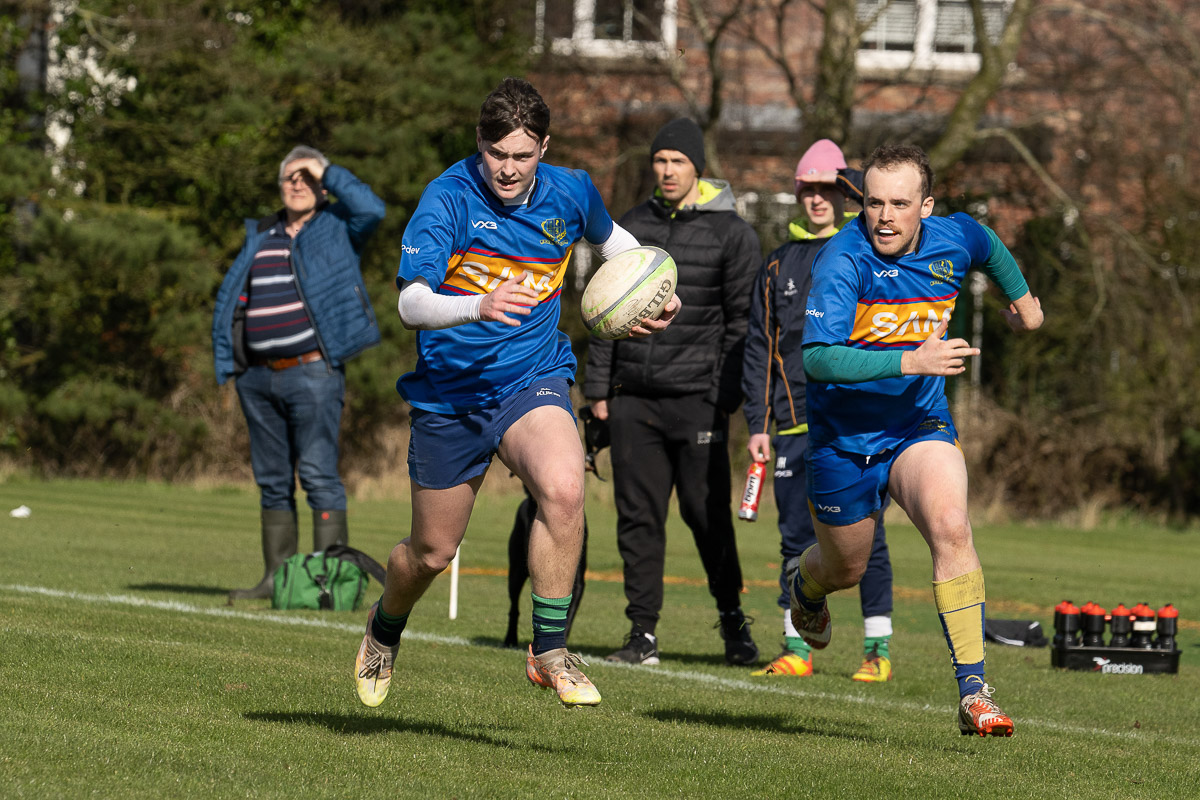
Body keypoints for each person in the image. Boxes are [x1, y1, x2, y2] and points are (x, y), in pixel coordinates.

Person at [353, 77, 680, 709]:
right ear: (479, 143)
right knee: (430, 554)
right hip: (452, 395)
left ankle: (551, 651)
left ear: (543, 148)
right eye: (496, 154)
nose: (507, 169)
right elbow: (410, 303)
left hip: (532, 377)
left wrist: (653, 290)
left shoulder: (572, 190)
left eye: (522, 156)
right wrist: (479, 304)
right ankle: (383, 627)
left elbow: (621, 248)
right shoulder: (447, 198)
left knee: (563, 488)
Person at [793, 144, 1043, 736]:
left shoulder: (953, 238)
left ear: (925, 207)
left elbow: (987, 244)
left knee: (952, 526)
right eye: (874, 202)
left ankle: (974, 692)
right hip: (843, 440)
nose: (884, 216)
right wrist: (910, 360)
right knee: (845, 569)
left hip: (916, 427)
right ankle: (806, 587)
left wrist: (1026, 304)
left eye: (899, 204)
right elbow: (818, 359)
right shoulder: (841, 260)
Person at [584, 117, 761, 667]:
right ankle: (643, 636)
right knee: (637, 518)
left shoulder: (733, 233)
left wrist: (721, 396)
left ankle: (734, 626)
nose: (666, 170)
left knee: (706, 516)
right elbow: (603, 311)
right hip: (633, 398)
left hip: (698, 401)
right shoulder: (629, 227)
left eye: (677, 162)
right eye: (660, 161)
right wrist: (598, 389)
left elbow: (742, 326)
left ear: (698, 169)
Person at [742, 140, 896, 682]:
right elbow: (760, 348)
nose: (816, 199)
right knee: (793, 537)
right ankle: (796, 647)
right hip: (793, 423)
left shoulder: (868, 251)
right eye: (806, 189)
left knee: (866, 537)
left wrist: (847, 176)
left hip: (857, 419)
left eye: (828, 189)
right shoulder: (777, 263)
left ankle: (878, 651)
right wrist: (758, 425)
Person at [213, 146, 385, 602]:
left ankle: (326, 586)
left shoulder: (337, 228)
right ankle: (277, 580)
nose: (297, 184)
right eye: (290, 176)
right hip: (256, 377)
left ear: (322, 184)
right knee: (272, 480)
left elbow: (373, 208)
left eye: (306, 176)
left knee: (317, 474)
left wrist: (327, 170)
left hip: (313, 372)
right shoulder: (262, 233)